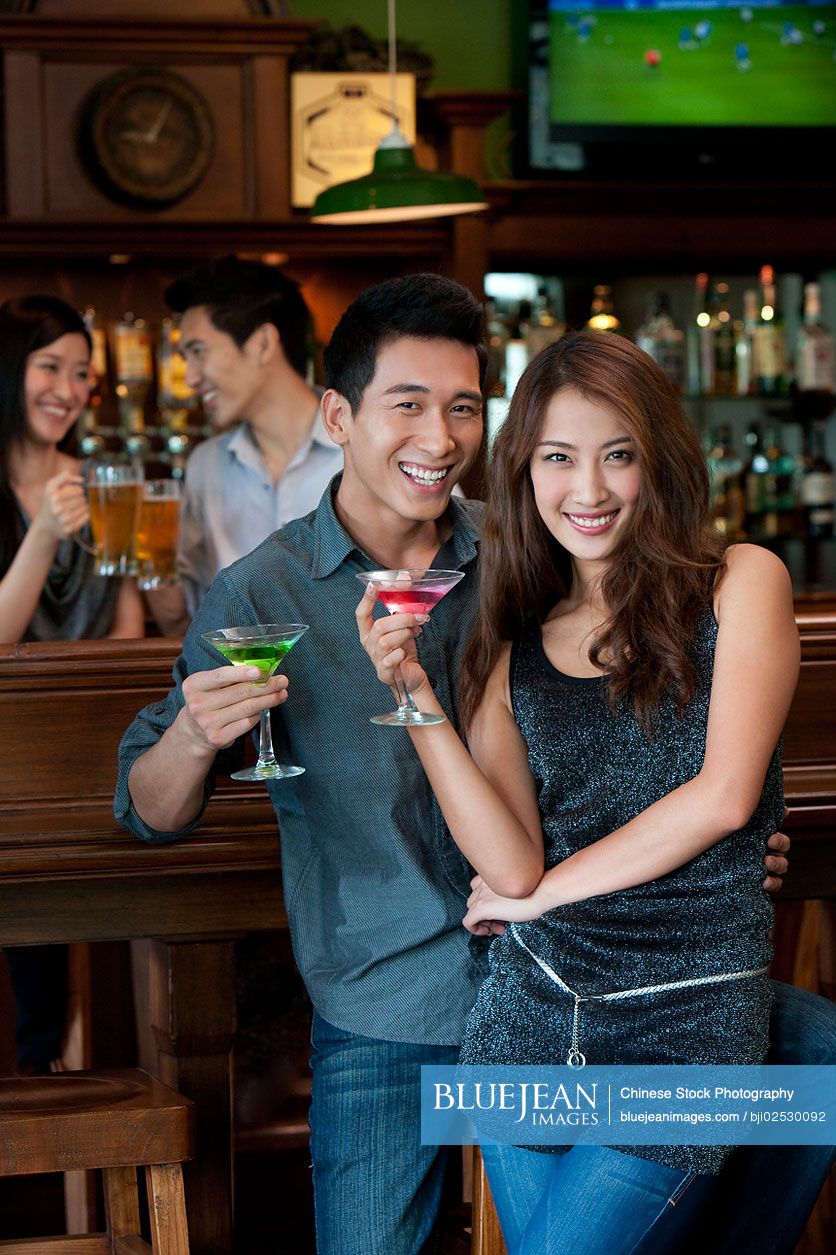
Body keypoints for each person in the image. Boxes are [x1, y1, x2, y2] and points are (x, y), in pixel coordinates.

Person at [114, 275, 827, 1255]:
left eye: (460, 407)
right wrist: (198, 734)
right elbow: (146, 807)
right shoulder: (262, 590)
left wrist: (721, 846)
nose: (439, 436)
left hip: (584, 969)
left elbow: (688, 763)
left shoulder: (530, 548)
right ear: (337, 415)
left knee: (812, 1060)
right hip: (396, 999)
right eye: (406, 404)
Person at [357, 330, 830, 1253]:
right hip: (530, 1022)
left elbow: (725, 798)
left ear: (661, 462)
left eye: (620, 456)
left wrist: (537, 896)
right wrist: (415, 697)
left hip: (690, 1025)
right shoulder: (512, 637)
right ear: (523, 471)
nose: (591, 490)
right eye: (559, 459)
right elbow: (510, 859)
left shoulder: (743, 583)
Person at [0, 293, 143, 1074]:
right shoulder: (35, 500)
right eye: (49, 365)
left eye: (82, 372)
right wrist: (45, 535)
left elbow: (125, 626)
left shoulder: (102, 483)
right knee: (38, 979)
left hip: (97, 747)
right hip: (15, 766)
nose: (68, 387)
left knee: (119, 972)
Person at [148, 255, 342, 636]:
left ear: (263, 344)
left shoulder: (366, 446)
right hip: (244, 688)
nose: (189, 377)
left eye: (198, 351)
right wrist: (146, 554)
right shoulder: (205, 465)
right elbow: (179, 617)